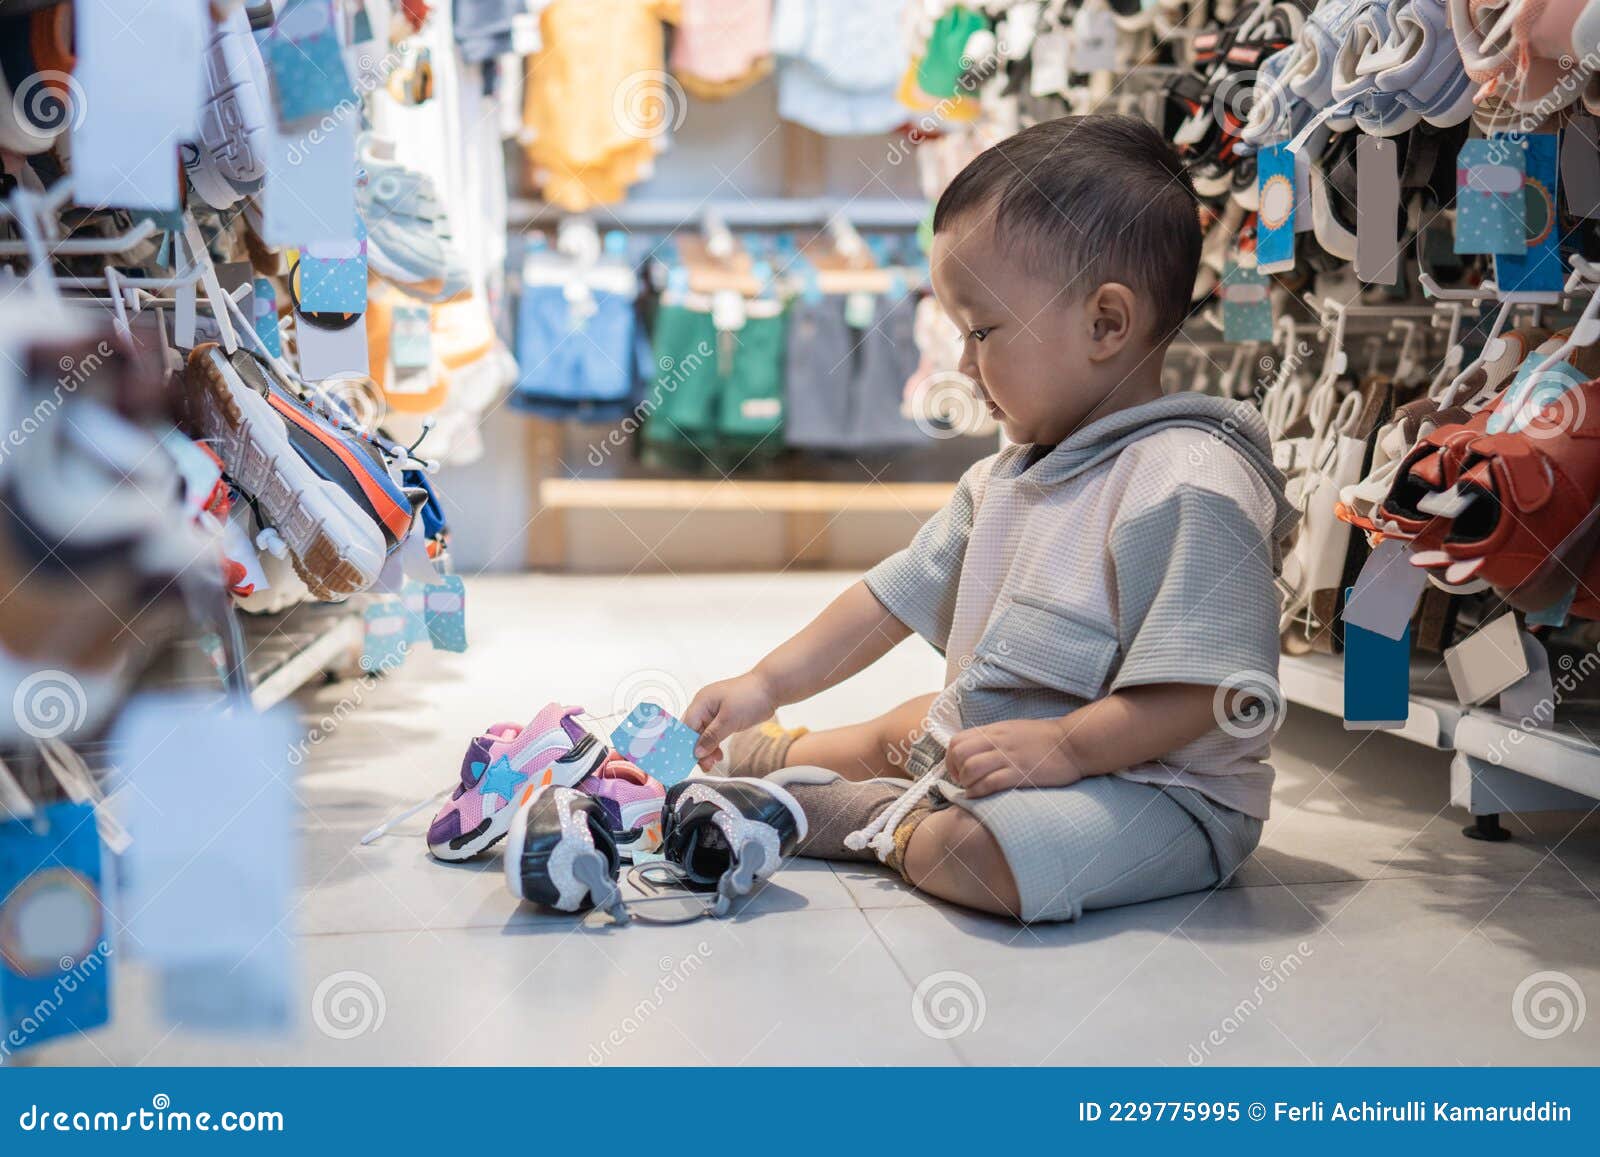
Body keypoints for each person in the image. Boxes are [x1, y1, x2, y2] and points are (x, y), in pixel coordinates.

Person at [684, 115, 1296, 924]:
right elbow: (886, 602)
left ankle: (868, 819)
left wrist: (1068, 746)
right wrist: (765, 683)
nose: (965, 364)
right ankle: (769, 760)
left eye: (980, 332)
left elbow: (1208, 693)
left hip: (1159, 792)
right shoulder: (1003, 480)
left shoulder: (1188, 481)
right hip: (1016, 752)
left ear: (1106, 323)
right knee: (916, 727)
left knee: (973, 853)